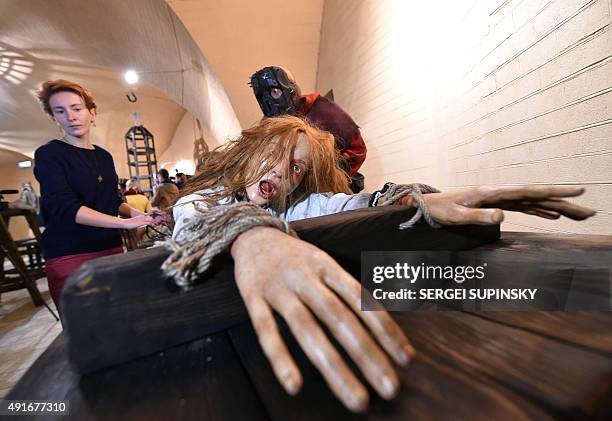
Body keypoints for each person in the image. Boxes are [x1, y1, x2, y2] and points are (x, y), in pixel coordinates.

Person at [169, 115, 595, 412]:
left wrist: (415, 201)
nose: (282, 173)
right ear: (249, 154)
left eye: (296, 168)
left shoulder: (298, 205)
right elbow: (194, 221)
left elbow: (352, 205)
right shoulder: (202, 201)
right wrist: (252, 237)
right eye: (274, 156)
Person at [34, 79, 154, 309]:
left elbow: (113, 200)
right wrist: (122, 224)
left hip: (110, 248)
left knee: (123, 318)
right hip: (72, 254)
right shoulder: (49, 154)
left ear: (92, 112)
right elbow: (65, 207)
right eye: (60, 111)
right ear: (54, 118)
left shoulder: (103, 156)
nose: (71, 116)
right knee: (89, 332)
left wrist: (141, 215)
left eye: (76, 108)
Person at [250, 66, 367, 192]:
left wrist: (326, 175)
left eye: (274, 91)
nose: (269, 100)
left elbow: (358, 150)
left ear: (291, 89)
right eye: (263, 96)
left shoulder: (323, 110)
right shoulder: (267, 125)